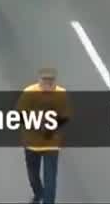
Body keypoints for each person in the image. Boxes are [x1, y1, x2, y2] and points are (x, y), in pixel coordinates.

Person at [18, 68, 71, 204]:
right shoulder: (29, 92)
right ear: (39, 80)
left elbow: (64, 116)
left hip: (51, 143)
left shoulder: (61, 94)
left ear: (55, 81)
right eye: (45, 80)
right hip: (32, 142)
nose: (48, 83)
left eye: (51, 81)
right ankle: (38, 193)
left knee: (50, 179)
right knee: (33, 175)